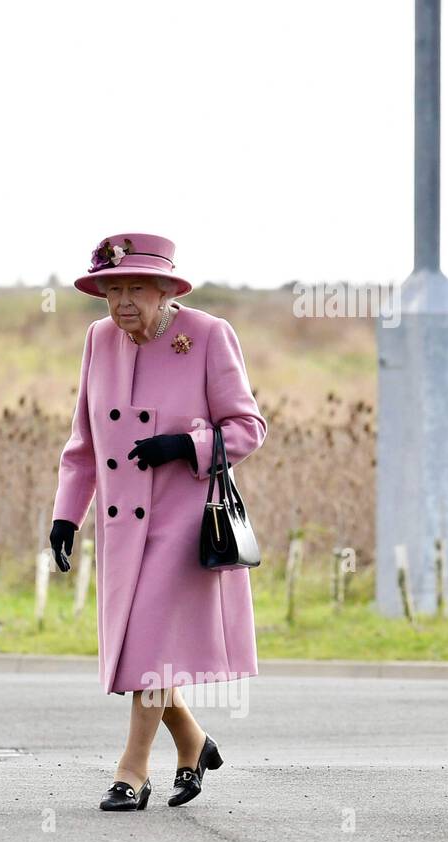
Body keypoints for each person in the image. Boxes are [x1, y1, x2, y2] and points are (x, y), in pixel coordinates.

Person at [49, 233, 267, 810]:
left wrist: (183, 444)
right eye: (111, 289)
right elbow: (84, 442)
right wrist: (67, 515)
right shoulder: (100, 339)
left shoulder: (208, 335)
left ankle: (132, 772)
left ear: (167, 289)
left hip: (181, 522)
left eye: (135, 289)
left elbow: (248, 428)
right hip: (123, 529)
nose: (122, 302)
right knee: (145, 649)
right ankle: (193, 743)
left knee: (145, 647)